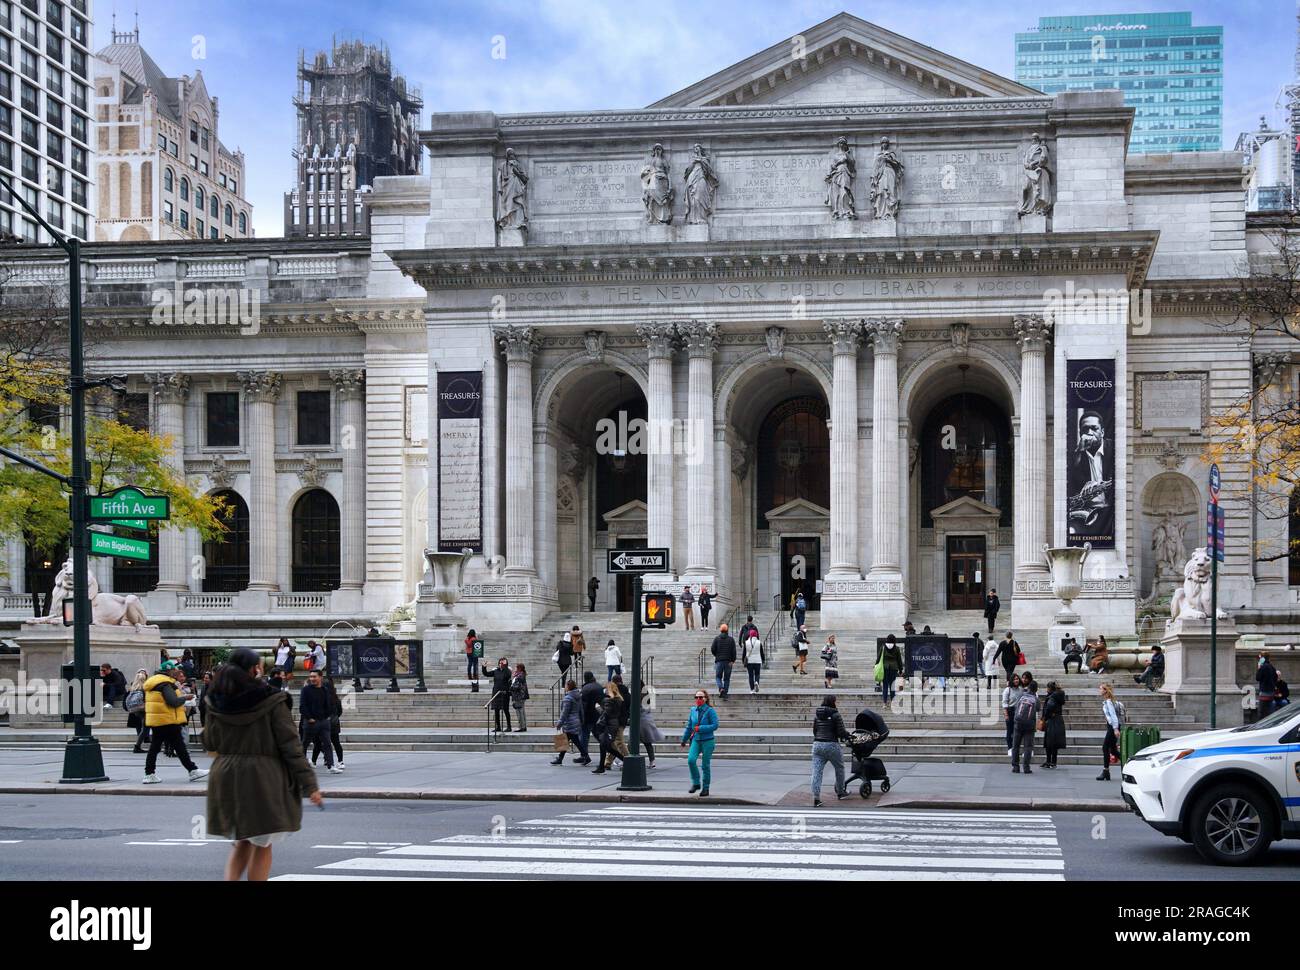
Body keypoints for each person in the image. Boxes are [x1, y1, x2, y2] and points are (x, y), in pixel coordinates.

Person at [204, 647, 322, 880]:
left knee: (243, 841)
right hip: (262, 777)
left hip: (225, 776)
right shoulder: (271, 699)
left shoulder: (216, 700)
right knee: (262, 842)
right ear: (254, 669)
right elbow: (290, 745)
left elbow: (210, 742)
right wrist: (310, 785)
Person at [142, 661, 208, 784]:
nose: (176, 673)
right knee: (179, 746)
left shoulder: (154, 682)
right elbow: (172, 701)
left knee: (157, 747)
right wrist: (186, 698)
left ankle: (149, 773)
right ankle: (192, 770)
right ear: (169, 671)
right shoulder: (165, 684)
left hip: (158, 720)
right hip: (167, 720)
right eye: (174, 671)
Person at [810, 695, 850, 807]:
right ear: (833, 702)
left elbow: (815, 731)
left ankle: (816, 798)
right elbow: (841, 732)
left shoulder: (817, 716)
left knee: (817, 771)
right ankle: (841, 792)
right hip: (831, 744)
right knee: (839, 768)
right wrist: (848, 735)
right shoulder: (836, 714)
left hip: (817, 745)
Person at [299, 669, 342, 773]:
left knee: (327, 743)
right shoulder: (306, 690)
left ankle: (331, 766)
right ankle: (300, 764)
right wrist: (309, 718)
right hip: (310, 722)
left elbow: (328, 705)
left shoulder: (324, 690)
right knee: (305, 743)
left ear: (320, 677)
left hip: (323, 721)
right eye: (311, 677)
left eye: (314, 676)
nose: (312, 679)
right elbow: (302, 706)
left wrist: (327, 717)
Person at [681, 689, 718, 796]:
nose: (698, 699)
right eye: (696, 697)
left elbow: (715, 725)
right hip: (696, 740)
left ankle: (706, 788)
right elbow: (689, 727)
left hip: (708, 741)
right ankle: (696, 783)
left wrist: (701, 728)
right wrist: (684, 739)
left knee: (705, 765)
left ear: (705, 699)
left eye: (701, 697)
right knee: (691, 760)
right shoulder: (693, 710)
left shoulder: (710, 711)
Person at [309, 672, 345, 770]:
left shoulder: (321, 697)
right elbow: (339, 712)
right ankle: (340, 761)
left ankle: (314, 761)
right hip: (334, 723)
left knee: (318, 743)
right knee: (335, 742)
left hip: (322, 723)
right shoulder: (335, 699)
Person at [551, 680, 589, 765]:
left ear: (568, 687)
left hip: (569, 723)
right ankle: (585, 756)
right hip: (576, 721)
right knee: (573, 741)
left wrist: (560, 723)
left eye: (566, 685)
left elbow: (565, 712)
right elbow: (581, 710)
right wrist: (582, 720)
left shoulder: (568, 698)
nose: (565, 687)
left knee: (566, 740)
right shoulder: (578, 696)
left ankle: (560, 759)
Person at [592, 681, 624, 775]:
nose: (604, 690)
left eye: (605, 688)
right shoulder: (618, 699)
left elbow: (606, 713)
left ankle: (602, 767)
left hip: (608, 725)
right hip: (614, 724)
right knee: (606, 746)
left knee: (605, 745)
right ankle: (601, 766)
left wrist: (598, 708)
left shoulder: (608, 700)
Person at [1010, 678, 1039, 774]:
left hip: (1018, 724)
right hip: (1030, 725)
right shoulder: (1035, 699)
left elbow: (1016, 707)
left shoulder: (1022, 695)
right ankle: (1026, 768)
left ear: (1029, 687)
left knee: (1015, 746)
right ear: (1036, 689)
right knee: (1028, 747)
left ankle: (1015, 767)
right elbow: (1038, 710)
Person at [1097, 682, 1124, 781]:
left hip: (1112, 727)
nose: (1099, 690)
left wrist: (1115, 728)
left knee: (1105, 747)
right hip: (1113, 726)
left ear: (1105, 691)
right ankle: (1127, 763)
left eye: (1101, 689)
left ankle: (1105, 771)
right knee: (1112, 750)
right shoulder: (1112, 701)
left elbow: (1113, 715)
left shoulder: (1109, 702)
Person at [1040, 681, 1068, 769]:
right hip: (1058, 720)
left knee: (1049, 742)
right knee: (1054, 743)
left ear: (1050, 688)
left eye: (1047, 688)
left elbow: (1049, 708)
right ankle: (1053, 761)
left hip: (1052, 720)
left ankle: (1049, 761)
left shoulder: (1052, 696)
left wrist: (1045, 717)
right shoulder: (1059, 695)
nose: (1046, 690)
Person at [579, 670, 605, 758]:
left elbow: (584, 705)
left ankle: (584, 756)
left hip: (587, 717)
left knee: (584, 736)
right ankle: (608, 748)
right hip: (597, 715)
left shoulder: (586, 689)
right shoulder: (599, 687)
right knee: (598, 735)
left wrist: (581, 717)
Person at [125, 668, 150, 753]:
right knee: (146, 727)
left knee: (145, 727)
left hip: (136, 710)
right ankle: (137, 746)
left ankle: (138, 746)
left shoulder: (133, 687)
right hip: (143, 709)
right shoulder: (144, 687)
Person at [486, 657, 513, 734]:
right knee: (496, 710)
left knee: (506, 710)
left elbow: (507, 675)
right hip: (496, 693)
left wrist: (505, 666)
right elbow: (486, 674)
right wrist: (484, 667)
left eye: (503, 663)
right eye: (500, 663)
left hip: (504, 693)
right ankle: (498, 726)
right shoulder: (496, 671)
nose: (501, 664)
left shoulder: (507, 671)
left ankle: (509, 726)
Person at [710, 622, 737, 697]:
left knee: (718, 677)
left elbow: (712, 649)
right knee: (727, 678)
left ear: (720, 630)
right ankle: (725, 692)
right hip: (728, 661)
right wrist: (733, 660)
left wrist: (717, 655)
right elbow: (734, 651)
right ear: (727, 630)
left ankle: (721, 688)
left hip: (719, 661)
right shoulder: (731, 639)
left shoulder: (717, 639)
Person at [639, 685, 663, 769]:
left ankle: (625, 759)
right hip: (647, 721)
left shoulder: (638, 697)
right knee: (648, 743)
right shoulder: (647, 696)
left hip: (640, 722)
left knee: (632, 743)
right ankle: (652, 761)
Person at [1002, 673, 1024, 758]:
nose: (1016, 680)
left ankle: (1016, 747)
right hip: (1010, 711)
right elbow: (1004, 703)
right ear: (1011, 680)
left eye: (1017, 679)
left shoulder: (1021, 689)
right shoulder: (1008, 690)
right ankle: (1010, 748)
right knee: (1010, 731)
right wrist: (1006, 714)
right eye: (1014, 679)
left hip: (1019, 712)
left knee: (1018, 731)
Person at [877, 634, 904, 702]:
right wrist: (900, 670)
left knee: (885, 686)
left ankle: (884, 703)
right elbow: (899, 660)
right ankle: (892, 702)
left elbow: (879, 658)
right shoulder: (897, 648)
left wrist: (876, 665)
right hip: (893, 668)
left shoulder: (883, 647)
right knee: (892, 686)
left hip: (885, 668)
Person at [1256, 652, 1279, 717]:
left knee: (1262, 712)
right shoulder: (1272, 667)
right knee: (1269, 710)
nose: (1259, 659)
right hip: (1271, 692)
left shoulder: (1263, 667)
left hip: (1264, 692)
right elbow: (1276, 678)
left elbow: (1258, 678)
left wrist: (1259, 668)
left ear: (1263, 658)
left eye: (1260, 657)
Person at [510, 663, 529, 733]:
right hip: (521, 696)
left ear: (519, 668)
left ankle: (521, 727)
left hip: (519, 696)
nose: (514, 669)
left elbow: (517, 686)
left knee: (519, 712)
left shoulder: (519, 676)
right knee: (522, 711)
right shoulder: (521, 675)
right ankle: (523, 726)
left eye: (516, 668)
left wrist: (511, 687)